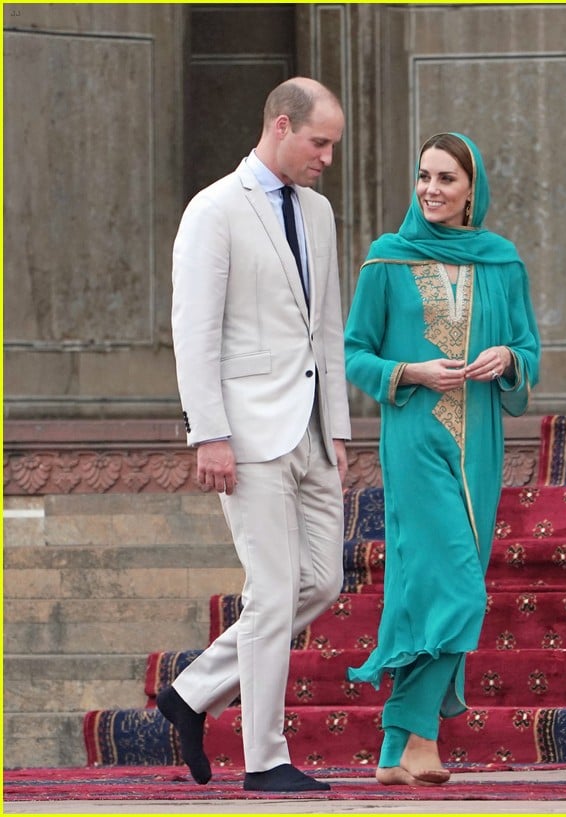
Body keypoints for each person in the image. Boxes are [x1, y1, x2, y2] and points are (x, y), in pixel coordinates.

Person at [158, 77, 352, 793]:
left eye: (332, 144)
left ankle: (190, 691)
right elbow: (195, 330)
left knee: (321, 579)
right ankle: (265, 758)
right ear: (280, 125)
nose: (327, 156)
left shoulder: (321, 213)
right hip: (244, 434)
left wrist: (338, 424)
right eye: (319, 142)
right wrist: (208, 432)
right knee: (273, 590)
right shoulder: (214, 210)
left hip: (311, 431)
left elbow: (324, 325)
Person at [344, 132, 541, 786]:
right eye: (424, 175)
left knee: (424, 585)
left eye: (446, 179)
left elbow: (528, 347)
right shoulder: (386, 259)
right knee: (456, 585)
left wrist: (509, 359)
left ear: (470, 191)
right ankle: (423, 739)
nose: (431, 189)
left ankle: (392, 752)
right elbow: (354, 354)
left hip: (478, 443)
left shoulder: (500, 261)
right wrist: (411, 370)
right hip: (414, 437)